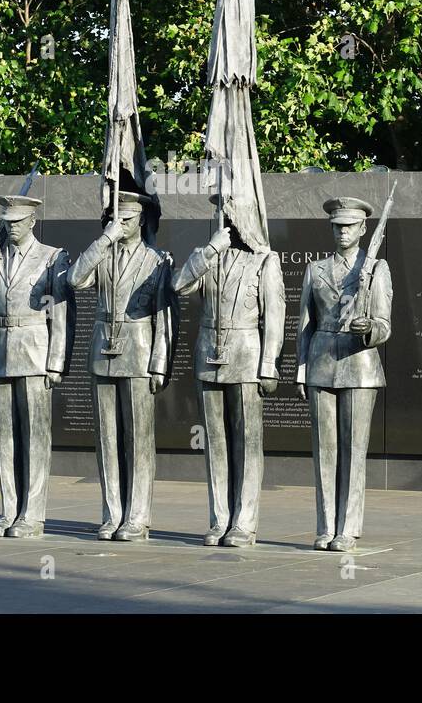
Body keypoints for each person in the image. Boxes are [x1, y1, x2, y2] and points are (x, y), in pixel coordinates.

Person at [174, 196, 285, 547]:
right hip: (209, 356)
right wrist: (210, 249)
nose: (229, 219)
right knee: (216, 444)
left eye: (234, 213)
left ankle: (245, 522)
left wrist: (269, 364)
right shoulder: (209, 256)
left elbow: (276, 318)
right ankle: (219, 518)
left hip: (246, 356)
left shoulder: (265, 261)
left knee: (248, 443)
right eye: (223, 213)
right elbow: (179, 286)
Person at [0, 194, 73, 539]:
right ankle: (9, 510)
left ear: (32, 222)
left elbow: (63, 314)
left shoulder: (53, 257)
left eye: (17, 222)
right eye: (6, 222)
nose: (11, 227)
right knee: (5, 438)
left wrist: (57, 362)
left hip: (36, 352)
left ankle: (33, 514)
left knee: (36, 438)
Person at [69, 192, 176, 541]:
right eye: (117, 219)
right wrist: (106, 238)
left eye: (127, 220)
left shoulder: (158, 261)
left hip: (139, 351)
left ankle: (137, 516)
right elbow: (75, 279)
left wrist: (160, 363)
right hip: (103, 351)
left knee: (139, 440)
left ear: (141, 220)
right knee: (107, 439)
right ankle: (111, 513)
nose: (121, 225)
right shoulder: (104, 254)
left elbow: (166, 315)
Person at [296, 197, 392, 552]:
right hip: (321, 364)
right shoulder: (315, 269)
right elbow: (304, 326)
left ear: (363, 228)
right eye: (337, 226)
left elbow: (385, 323)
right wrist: (301, 370)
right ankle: (325, 526)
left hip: (360, 364)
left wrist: (370, 328)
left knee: (353, 450)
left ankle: (347, 528)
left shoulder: (376, 268)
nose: (342, 232)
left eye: (349, 226)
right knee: (324, 450)